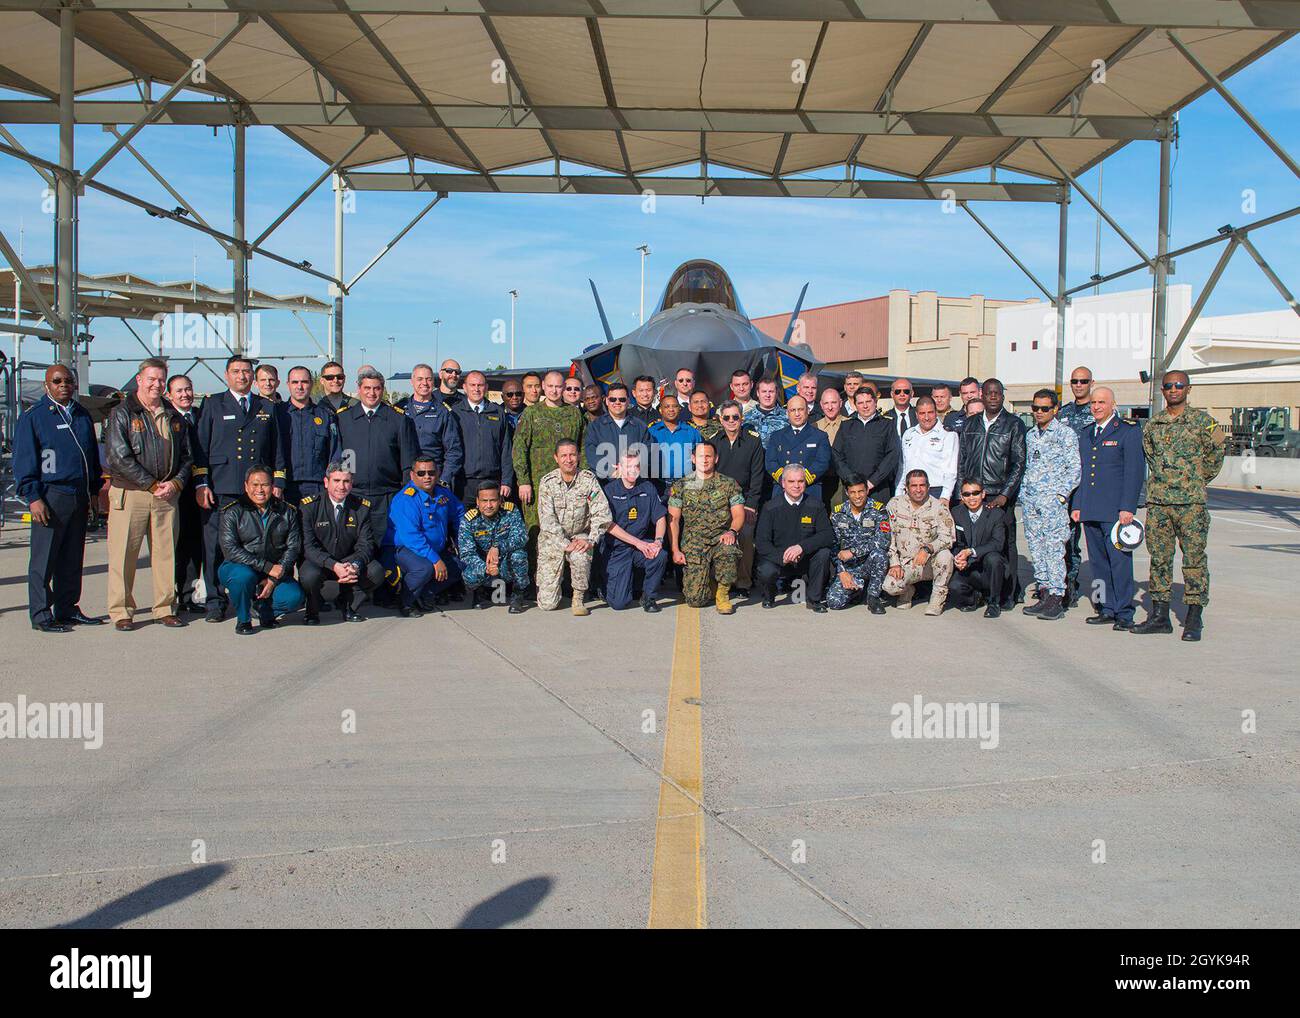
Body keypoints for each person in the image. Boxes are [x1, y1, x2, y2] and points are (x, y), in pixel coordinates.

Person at [1134, 370, 1226, 641]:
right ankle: (1160, 615)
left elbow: (1217, 452)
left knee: (1194, 560)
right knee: (1159, 559)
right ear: (1162, 391)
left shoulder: (1204, 422)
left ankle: (1194, 616)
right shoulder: (1153, 425)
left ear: (1188, 389)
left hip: (1191, 504)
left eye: (1179, 386)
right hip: (1160, 503)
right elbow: (1150, 457)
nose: (1173, 390)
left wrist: (1195, 479)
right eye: (1168, 386)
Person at [193, 354, 286, 622]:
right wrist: (202, 482)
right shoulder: (213, 404)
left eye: (246, 372)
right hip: (222, 486)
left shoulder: (265, 406)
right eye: (236, 372)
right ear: (227, 375)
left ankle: (255, 598)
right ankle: (215, 600)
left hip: (257, 491)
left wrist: (278, 481)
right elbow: (201, 448)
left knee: (257, 546)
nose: (242, 376)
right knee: (215, 546)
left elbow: (276, 448)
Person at [14, 364, 106, 633]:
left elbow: (90, 458)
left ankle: (67, 608)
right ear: (47, 386)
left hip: (78, 495)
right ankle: (41, 614)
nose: (63, 384)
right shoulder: (34, 417)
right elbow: (24, 461)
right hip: (50, 496)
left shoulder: (81, 416)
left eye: (68, 380)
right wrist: (33, 497)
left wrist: (92, 493)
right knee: (44, 559)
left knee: (72, 557)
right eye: (57, 381)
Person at [104, 357, 192, 632]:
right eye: (151, 379)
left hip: (167, 496)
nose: (156, 384)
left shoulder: (173, 415)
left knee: (166, 555)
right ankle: (121, 611)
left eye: (161, 379)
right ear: (139, 379)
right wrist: (151, 484)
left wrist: (175, 484)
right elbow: (119, 457)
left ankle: (164, 608)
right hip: (132, 494)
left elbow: (187, 457)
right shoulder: (123, 413)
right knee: (124, 555)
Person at [1071, 386, 1144, 630]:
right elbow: (1082, 472)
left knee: (1119, 563)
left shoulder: (1126, 432)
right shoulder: (1087, 433)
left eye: (1102, 402)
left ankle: (1124, 611)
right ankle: (1105, 607)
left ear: (1113, 404)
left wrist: (1127, 507)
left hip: (1115, 512)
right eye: (1093, 403)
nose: (1096, 406)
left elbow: (1133, 473)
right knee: (1098, 564)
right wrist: (1078, 504)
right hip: (1091, 509)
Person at [957, 378, 1026, 608]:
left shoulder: (1013, 424)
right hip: (973, 496)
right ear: (982, 396)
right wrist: (962, 492)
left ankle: (1009, 592)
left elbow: (1018, 463)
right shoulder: (971, 424)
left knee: (1005, 545)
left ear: (1003, 396)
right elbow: (963, 461)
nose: (993, 397)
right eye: (989, 393)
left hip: (998, 495)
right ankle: (981, 590)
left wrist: (1005, 494)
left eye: (997, 393)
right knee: (975, 542)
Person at [336, 367, 421, 552]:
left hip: (387, 496)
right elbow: (337, 458)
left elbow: (408, 463)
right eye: (367, 388)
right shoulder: (344, 419)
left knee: (386, 546)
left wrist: (405, 496)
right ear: (359, 389)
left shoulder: (398, 420)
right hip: (353, 495)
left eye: (376, 388)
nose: (371, 393)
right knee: (352, 545)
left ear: (383, 390)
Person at [217, 465, 305, 635]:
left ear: (272, 487)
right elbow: (230, 550)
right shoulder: (232, 512)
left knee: (294, 597)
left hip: (273, 570)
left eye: (264, 485)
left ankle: (264, 609)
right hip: (238, 567)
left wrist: (273, 578)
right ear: (246, 486)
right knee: (243, 577)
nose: (259, 490)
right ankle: (243, 619)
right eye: (254, 485)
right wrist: (266, 567)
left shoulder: (287, 511)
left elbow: (293, 547)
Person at [1020, 389, 1081, 621]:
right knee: (1036, 548)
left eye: (1044, 408)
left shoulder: (1065, 434)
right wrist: (1025, 493)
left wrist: (1061, 496)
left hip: (1053, 504)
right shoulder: (1031, 435)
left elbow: (1075, 469)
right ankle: (1044, 592)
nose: (1039, 412)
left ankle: (1057, 596)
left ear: (1055, 409)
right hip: (1032, 502)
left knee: (1054, 550)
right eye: (1035, 408)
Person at [298, 463, 385, 624]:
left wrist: (356, 565)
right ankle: (312, 610)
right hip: (320, 562)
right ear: (326, 482)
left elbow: (366, 545)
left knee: (376, 572)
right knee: (309, 577)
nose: (341, 486)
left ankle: (348, 604)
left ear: (351, 484)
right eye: (336, 480)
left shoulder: (361, 507)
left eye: (346, 481)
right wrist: (333, 565)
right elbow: (309, 548)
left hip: (348, 561)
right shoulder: (309, 506)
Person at [667, 440, 745, 614]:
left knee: (729, 550)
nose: (705, 460)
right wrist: (675, 550)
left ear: (716, 458)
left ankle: (723, 594)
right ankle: (708, 581)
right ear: (693, 459)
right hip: (694, 542)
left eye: (708, 456)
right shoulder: (681, 485)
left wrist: (732, 531)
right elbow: (673, 520)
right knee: (695, 600)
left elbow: (739, 514)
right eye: (701, 456)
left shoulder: (729, 484)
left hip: (721, 538)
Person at [536, 439, 611, 615]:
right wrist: (564, 544)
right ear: (556, 458)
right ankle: (552, 589)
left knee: (580, 555)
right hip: (552, 539)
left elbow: (601, 512)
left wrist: (591, 540)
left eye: (572, 455)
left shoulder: (588, 480)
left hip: (580, 535)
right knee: (547, 604)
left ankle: (578, 599)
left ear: (578, 456)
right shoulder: (547, 482)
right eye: (564, 456)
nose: (568, 459)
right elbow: (547, 520)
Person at [384, 456, 465, 617]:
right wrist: (435, 560)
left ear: (438, 473)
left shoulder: (443, 493)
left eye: (431, 472)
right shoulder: (406, 499)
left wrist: (462, 540)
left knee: (461, 565)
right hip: (405, 549)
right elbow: (411, 537)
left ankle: (425, 593)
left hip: (433, 549)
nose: (427, 477)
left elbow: (459, 513)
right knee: (424, 569)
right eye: (421, 473)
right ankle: (406, 602)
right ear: (412, 475)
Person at [512, 370, 587, 540]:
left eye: (558, 386)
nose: (554, 390)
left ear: (563, 388)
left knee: (568, 530)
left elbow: (582, 447)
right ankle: (536, 567)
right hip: (538, 485)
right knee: (537, 532)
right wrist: (523, 482)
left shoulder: (574, 414)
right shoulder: (532, 414)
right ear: (544, 387)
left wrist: (583, 478)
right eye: (550, 386)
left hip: (568, 484)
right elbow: (519, 448)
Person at [754, 464, 834, 612]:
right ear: (783, 483)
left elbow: (827, 535)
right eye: (791, 481)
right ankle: (769, 596)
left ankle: (814, 600)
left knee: (824, 554)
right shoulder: (770, 507)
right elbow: (761, 542)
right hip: (779, 560)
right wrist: (782, 557)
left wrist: (802, 547)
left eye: (800, 481)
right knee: (765, 570)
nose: (796, 486)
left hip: (805, 559)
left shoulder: (816, 506)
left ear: (805, 482)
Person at [601, 451, 669, 612]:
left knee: (660, 555)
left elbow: (660, 517)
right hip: (617, 550)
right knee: (618, 604)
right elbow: (608, 525)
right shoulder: (609, 491)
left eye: (636, 466)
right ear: (619, 467)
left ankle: (648, 597)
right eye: (627, 466)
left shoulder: (648, 488)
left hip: (640, 546)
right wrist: (639, 544)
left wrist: (658, 541)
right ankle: (615, 585)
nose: (632, 470)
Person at [883, 469, 955, 616]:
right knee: (890, 586)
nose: (918, 490)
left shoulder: (939, 507)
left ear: (928, 487)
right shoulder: (894, 504)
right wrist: (894, 562)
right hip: (904, 562)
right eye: (914, 486)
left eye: (922, 485)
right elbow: (887, 536)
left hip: (928, 563)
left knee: (945, 556)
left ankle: (937, 599)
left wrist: (928, 548)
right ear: (906, 488)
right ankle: (908, 590)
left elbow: (948, 537)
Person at [712, 399, 765, 594]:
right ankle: (721, 580)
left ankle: (743, 582)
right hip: (719, 500)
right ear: (720, 419)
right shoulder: (713, 441)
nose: (731, 421)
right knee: (718, 538)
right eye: (727, 417)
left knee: (745, 537)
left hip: (744, 501)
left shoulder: (753, 440)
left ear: (742, 418)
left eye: (735, 417)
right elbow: (708, 474)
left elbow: (757, 476)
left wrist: (751, 505)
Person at [1056, 366, 1096, 607]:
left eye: (1083, 381)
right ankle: (1066, 584)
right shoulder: (1063, 414)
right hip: (1066, 487)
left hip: (1090, 486)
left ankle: (1102, 593)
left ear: (1091, 382)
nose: (1078, 385)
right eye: (1074, 381)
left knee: (1092, 539)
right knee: (1066, 538)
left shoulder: (1098, 411)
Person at [458, 481, 530, 613]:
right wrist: (486, 568)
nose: (489, 505)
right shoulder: (469, 520)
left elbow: (522, 538)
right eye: (484, 501)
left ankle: (518, 595)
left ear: (501, 500)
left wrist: (498, 547)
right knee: (469, 573)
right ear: (477, 502)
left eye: (493, 500)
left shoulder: (510, 512)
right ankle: (479, 593)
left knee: (519, 555)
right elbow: (466, 553)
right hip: (484, 565)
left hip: (504, 563)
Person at [167, 373, 205, 613]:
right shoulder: (166, 419)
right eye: (179, 391)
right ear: (169, 395)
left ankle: (190, 595)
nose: (185, 395)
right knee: (174, 545)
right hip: (174, 489)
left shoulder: (201, 417)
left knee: (195, 544)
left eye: (188, 389)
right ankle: (171, 594)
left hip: (199, 488)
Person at [825, 476, 890, 614]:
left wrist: (854, 551)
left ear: (867, 490)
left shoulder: (879, 510)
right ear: (847, 493)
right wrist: (841, 571)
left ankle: (873, 597)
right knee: (834, 602)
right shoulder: (838, 512)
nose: (857, 496)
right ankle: (858, 589)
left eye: (861, 491)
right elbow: (833, 545)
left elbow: (883, 541)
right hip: (849, 567)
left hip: (869, 563)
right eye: (853, 492)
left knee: (880, 555)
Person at [948, 480, 1009, 617]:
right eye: (967, 494)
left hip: (990, 568)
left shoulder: (996, 514)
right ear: (962, 497)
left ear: (983, 494)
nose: (971, 497)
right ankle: (975, 598)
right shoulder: (957, 513)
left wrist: (971, 552)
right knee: (954, 588)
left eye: (975, 493)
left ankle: (994, 603)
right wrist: (959, 559)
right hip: (969, 566)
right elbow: (957, 543)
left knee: (993, 558)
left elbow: (997, 543)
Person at [277, 365, 338, 503]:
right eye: (295, 382)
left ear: (311, 384)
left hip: (317, 486)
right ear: (288, 385)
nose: (300, 386)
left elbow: (334, 453)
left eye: (304, 382)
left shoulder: (326, 416)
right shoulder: (278, 414)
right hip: (285, 486)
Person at [450, 370, 514, 500]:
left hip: (492, 481)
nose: (476, 389)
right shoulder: (455, 413)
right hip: (464, 483)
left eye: (480, 385)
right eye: (472, 385)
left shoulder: (497, 412)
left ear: (486, 387)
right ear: (464, 387)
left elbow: (506, 449)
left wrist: (506, 481)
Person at [397, 363, 463, 482]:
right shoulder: (399, 409)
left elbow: (454, 451)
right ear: (412, 381)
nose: (424, 383)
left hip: (433, 478)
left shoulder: (443, 412)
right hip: (404, 479)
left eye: (429, 379)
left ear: (433, 382)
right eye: (420, 379)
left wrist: (444, 480)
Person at [832, 387, 898, 498]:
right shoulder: (846, 425)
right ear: (855, 405)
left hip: (878, 488)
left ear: (875, 402)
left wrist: (872, 482)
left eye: (868, 401)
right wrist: (851, 480)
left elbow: (892, 455)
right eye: (861, 403)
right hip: (852, 488)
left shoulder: (887, 424)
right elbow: (836, 454)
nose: (865, 406)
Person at [765, 395, 832, 502]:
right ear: (787, 413)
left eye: (800, 409)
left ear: (808, 411)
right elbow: (770, 462)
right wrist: (786, 481)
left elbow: (822, 462)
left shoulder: (820, 436)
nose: (797, 414)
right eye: (793, 410)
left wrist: (801, 481)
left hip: (809, 490)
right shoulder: (776, 436)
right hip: (782, 490)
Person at [895, 395, 959, 504]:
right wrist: (898, 493)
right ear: (916, 415)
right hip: (910, 491)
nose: (926, 417)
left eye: (930, 412)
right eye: (922, 413)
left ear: (936, 412)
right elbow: (903, 466)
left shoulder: (948, 435)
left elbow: (951, 470)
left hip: (935, 491)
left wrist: (945, 496)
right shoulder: (909, 434)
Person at [584, 381, 651, 482]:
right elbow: (591, 455)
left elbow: (648, 451)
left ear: (628, 401)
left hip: (636, 483)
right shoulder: (595, 427)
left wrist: (630, 468)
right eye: (613, 399)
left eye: (622, 399)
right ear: (606, 401)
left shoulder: (639, 426)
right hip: (607, 485)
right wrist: (611, 472)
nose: (617, 402)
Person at [647, 397, 701, 491]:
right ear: (661, 410)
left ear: (679, 408)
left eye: (675, 406)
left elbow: (700, 457)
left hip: (686, 484)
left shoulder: (691, 431)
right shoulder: (651, 432)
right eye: (667, 406)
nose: (671, 409)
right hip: (658, 485)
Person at [743, 377, 788, 449]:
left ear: (776, 393)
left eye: (771, 391)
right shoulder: (746, 418)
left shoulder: (788, 417)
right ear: (758, 393)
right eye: (764, 391)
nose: (767, 395)